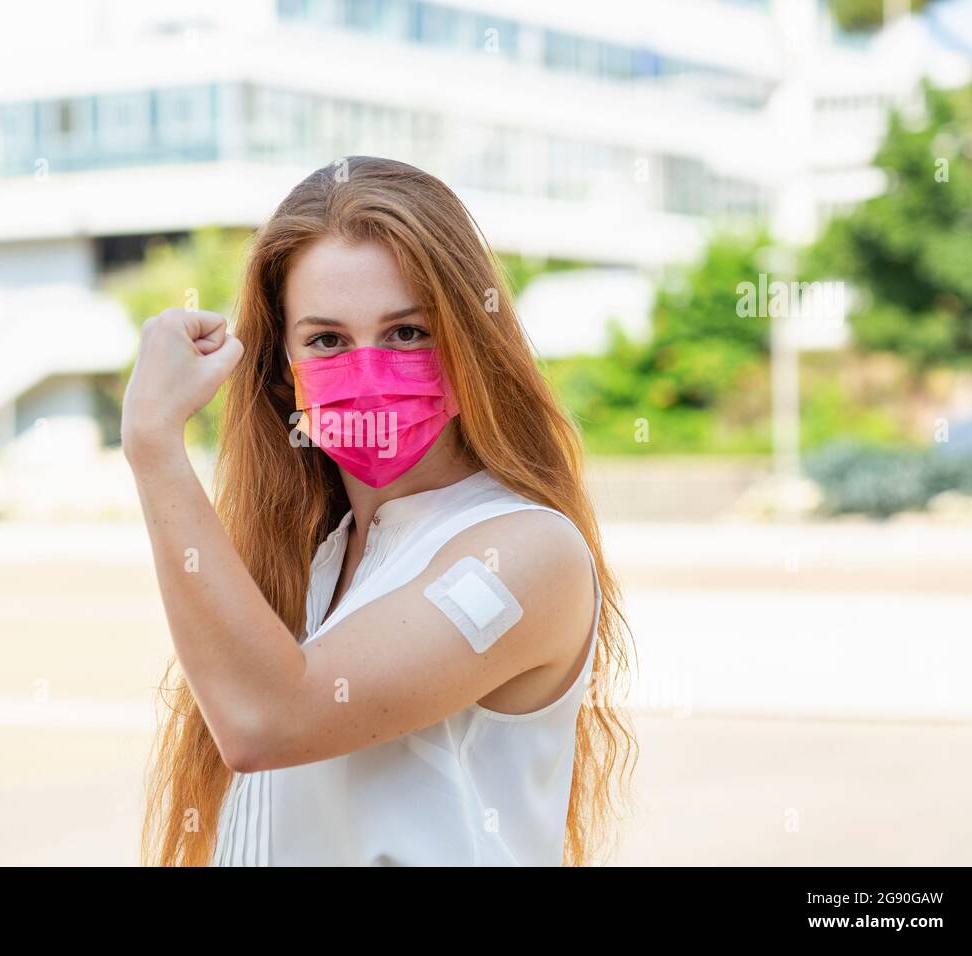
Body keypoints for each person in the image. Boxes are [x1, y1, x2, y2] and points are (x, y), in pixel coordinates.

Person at [124, 156, 636, 866]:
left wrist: (154, 445)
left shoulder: (524, 554)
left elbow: (265, 720)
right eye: (327, 340)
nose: (368, 371)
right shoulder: (313, 558)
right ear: (282, 375)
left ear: (471, 346)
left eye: (407, 333)